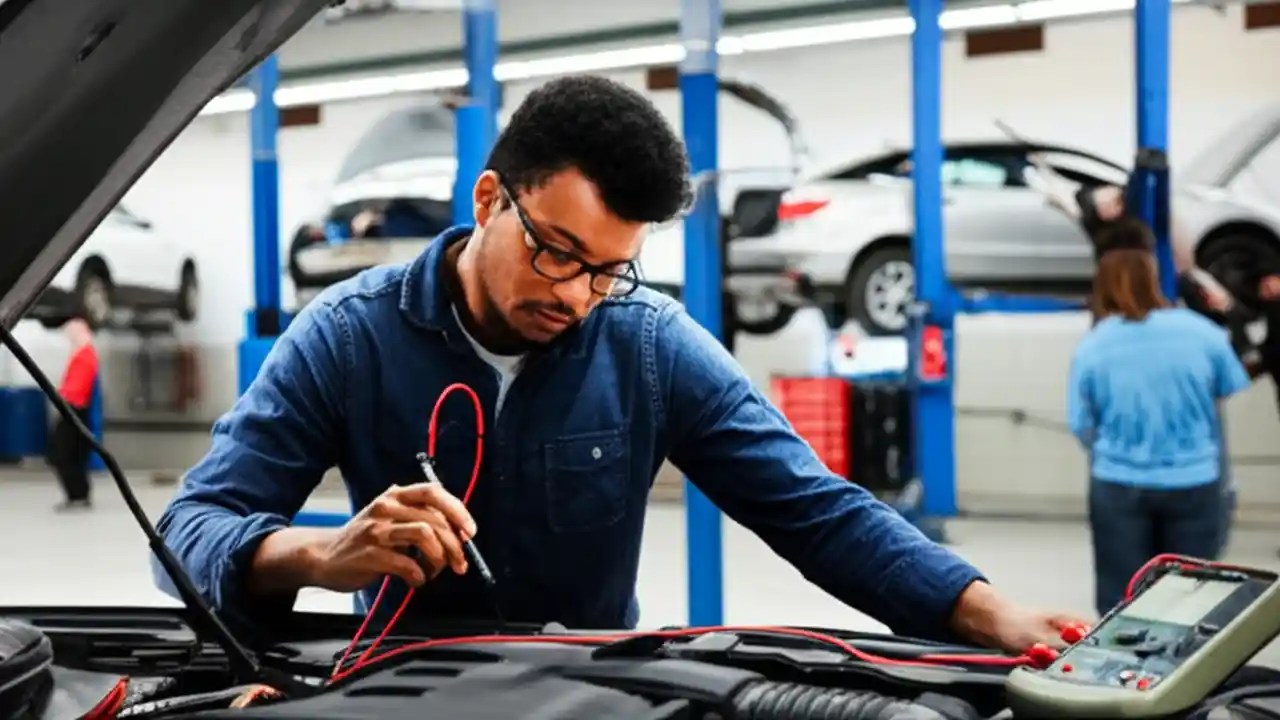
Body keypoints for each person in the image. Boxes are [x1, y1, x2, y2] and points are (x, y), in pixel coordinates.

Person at [155, 75, 1085, 649]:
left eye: (608, 269)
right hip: (401, 688)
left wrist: (980, 609)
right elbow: (189, 533)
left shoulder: (647, 344)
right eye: (555, 251)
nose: (574, 294)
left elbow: (815, 509)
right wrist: (319, 553)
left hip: (585, 692)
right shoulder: (350, 336)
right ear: (488, 200)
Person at [1066, 219, 1252, 617]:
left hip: (1118, 484)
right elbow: (1233, 381)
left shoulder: (1095, 345)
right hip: (1195, 482)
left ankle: (1121, 677)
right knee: (1193, 603)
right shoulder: (1201, 333)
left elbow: (1080, 423)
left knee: (1123, 603)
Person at [49, 315, 98, 512]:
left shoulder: (84, 355)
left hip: (73, 409)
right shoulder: (81, 353)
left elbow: (78, 387)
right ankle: (78, 493)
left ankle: (77, 493)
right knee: (74, 453)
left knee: (63, 453)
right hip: (74, 408)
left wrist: (62, 397)